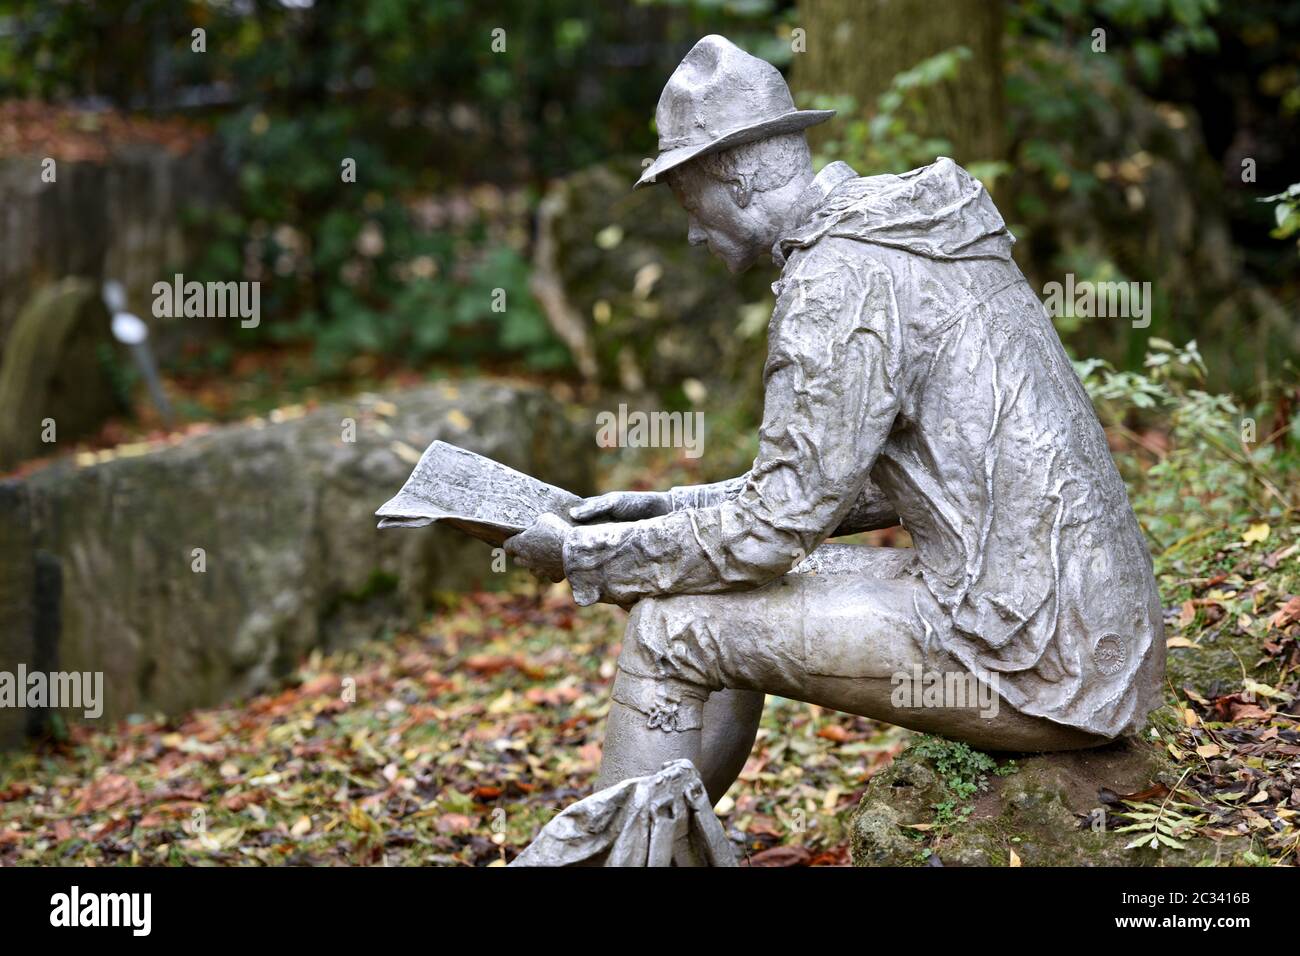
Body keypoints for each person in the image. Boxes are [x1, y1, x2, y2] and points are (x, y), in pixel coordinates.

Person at [505, 35, 1164, 808]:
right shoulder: (905, 232)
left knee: (671, 629)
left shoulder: (835, 282)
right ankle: (663, 843)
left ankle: (609, 863)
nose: (690, 231)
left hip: (1038, 663)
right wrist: (666, 507)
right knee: (712, 591)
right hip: (1097, 632)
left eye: (690, 201)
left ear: (739, 179)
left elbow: (772, 532)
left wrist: (590, 555)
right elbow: (886, 477)